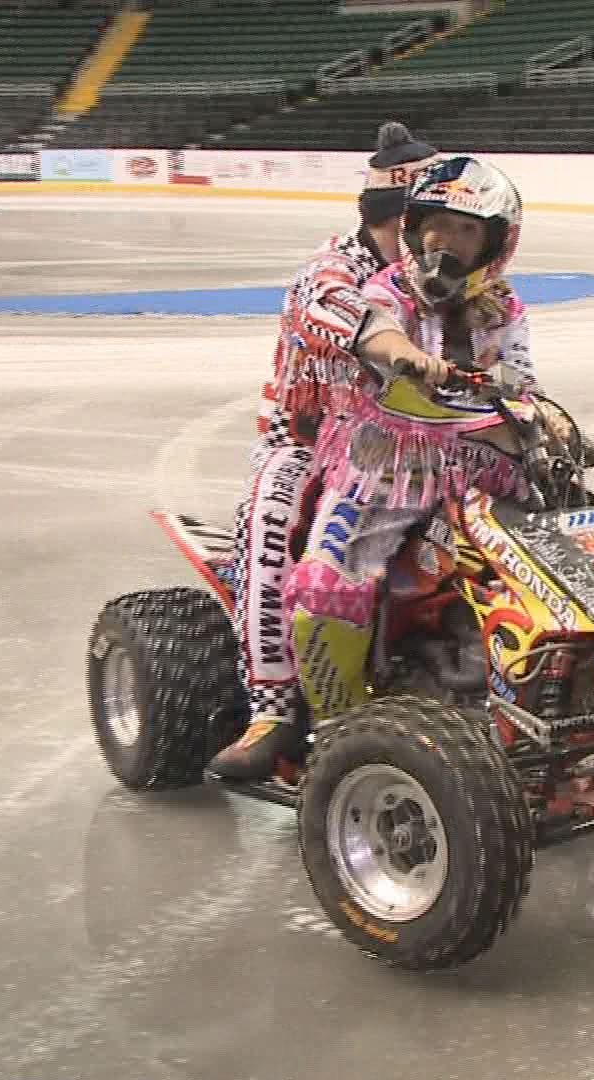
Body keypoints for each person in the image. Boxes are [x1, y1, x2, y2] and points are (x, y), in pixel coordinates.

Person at [282, 154, 572, 732]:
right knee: (326, 583)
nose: (450, 240)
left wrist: (544, 414)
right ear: (414, 227)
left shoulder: (505, 309)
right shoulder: (387, 290)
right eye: (439, 224)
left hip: (487, 464)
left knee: (571, 547)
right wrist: (407, 356)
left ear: (494, 245)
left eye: (468, 230)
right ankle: (339, 730)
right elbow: (378, 330)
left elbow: (521, 378)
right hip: (385, 464)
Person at [204, 122, 443, 781]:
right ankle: (272, 707)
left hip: (415, 443)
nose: (430, 242)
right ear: (385, 218)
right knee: (272, 504)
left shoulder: (442, 275)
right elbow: (341, 316)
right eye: (416, 225)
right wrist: (397, 347)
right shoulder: (330, 271)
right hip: (314, 441)